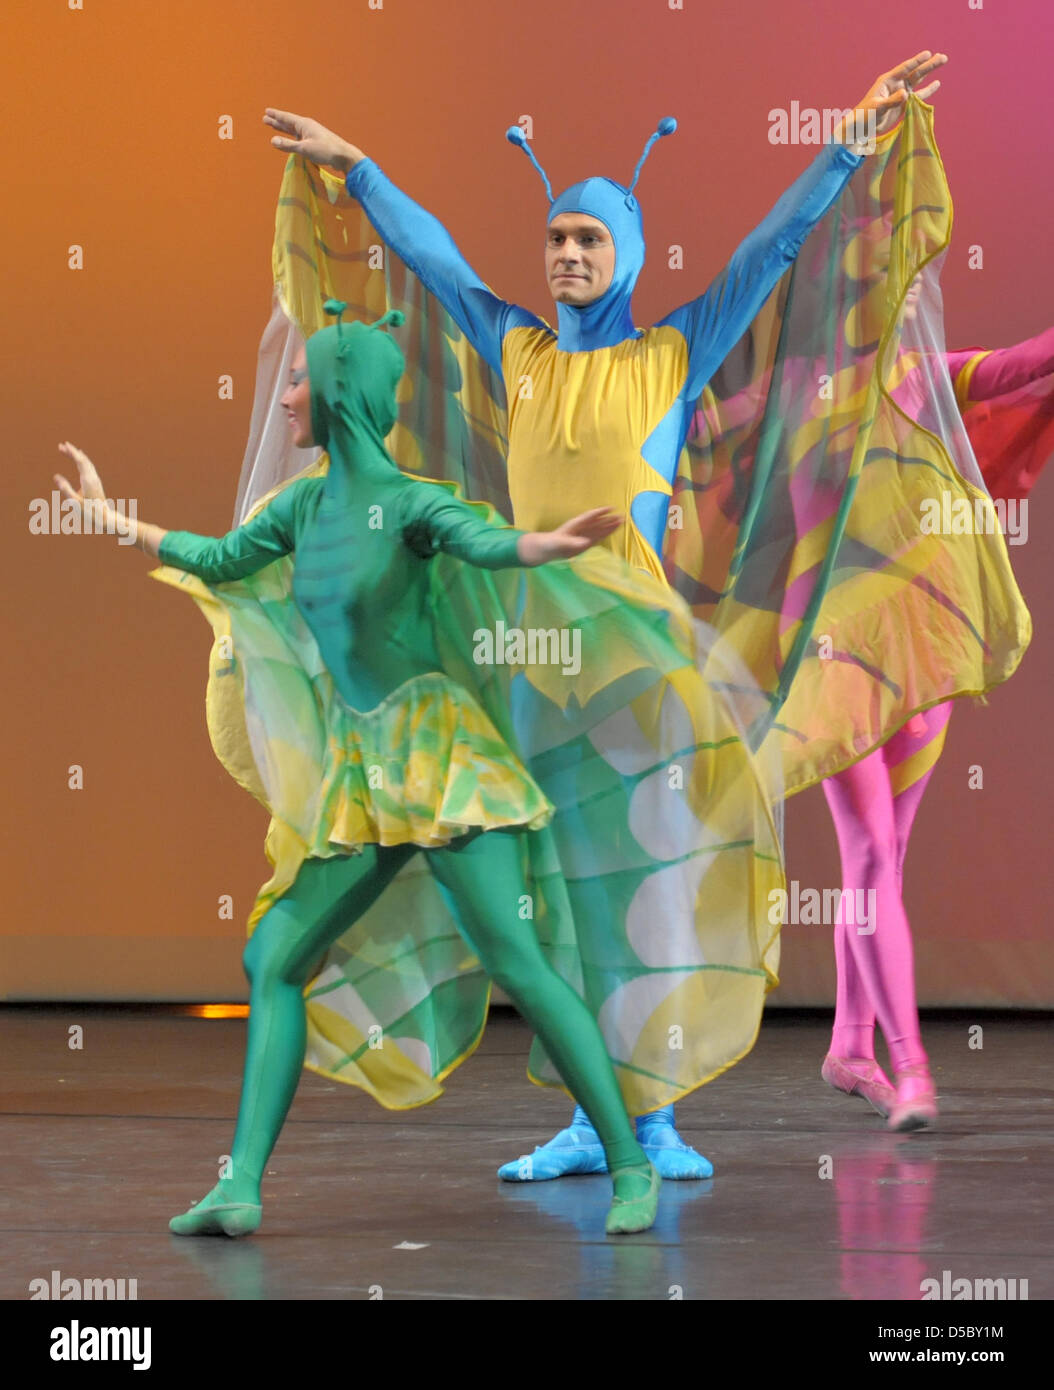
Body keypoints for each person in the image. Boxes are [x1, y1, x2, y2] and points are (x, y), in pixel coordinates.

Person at [258, 51, 1021, 1182]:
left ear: (626, 256)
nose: (567, 255)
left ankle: (654, 1122)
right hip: (531, 661)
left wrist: (851, 137)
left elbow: (772, 251)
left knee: (650, 896)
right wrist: (359, 171)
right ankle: (590, 1121)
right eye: (558, 238)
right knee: (561, 898)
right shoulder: (513, 349)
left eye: (590, 242)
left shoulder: (672, 353)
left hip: (641, 665)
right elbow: (435, 261)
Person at [53, 305, 715, 1236]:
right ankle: (238, 1186)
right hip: (365, 776)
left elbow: (481, 538)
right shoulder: (298, 506)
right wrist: (104, 517)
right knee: (273, 955)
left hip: (443, 766)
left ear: (334, 392)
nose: (284, 398)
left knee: (518, 963)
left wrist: (546, 546)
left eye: (296, 381)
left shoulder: (406, 500)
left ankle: (632, 1165)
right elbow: (221, 558)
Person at [821, 322, 1054, 1130]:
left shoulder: (930, 376)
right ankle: (911, 1067)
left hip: (923, 658)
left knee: (885, 863)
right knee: (873, 854)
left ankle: (852, 1045)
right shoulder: (797, 397)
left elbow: (1029, 364)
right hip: (834, 658)